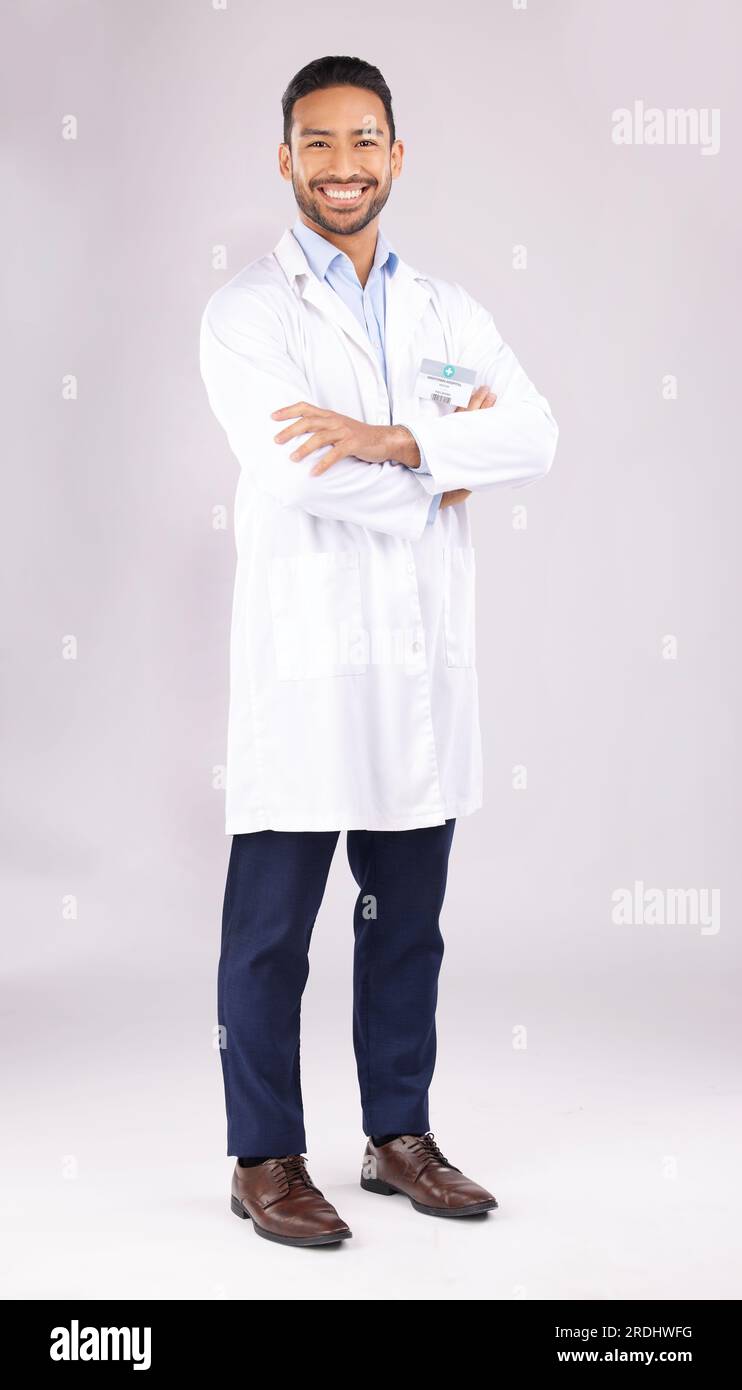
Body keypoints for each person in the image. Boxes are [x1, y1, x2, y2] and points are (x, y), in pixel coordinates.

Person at [199, 54, 558, 1249]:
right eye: (317, 143)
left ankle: (398, 1136)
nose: (342, 166)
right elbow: (297, 467)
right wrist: (436, 474)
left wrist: (396, 439)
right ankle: (264, 1157)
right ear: (285, 156)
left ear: (396, 155)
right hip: (306, 668)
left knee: (407, 924)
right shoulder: (248, 313)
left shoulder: (448, 311)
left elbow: (534, 433)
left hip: (418, 667)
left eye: (364, 142)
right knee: (270, 934)